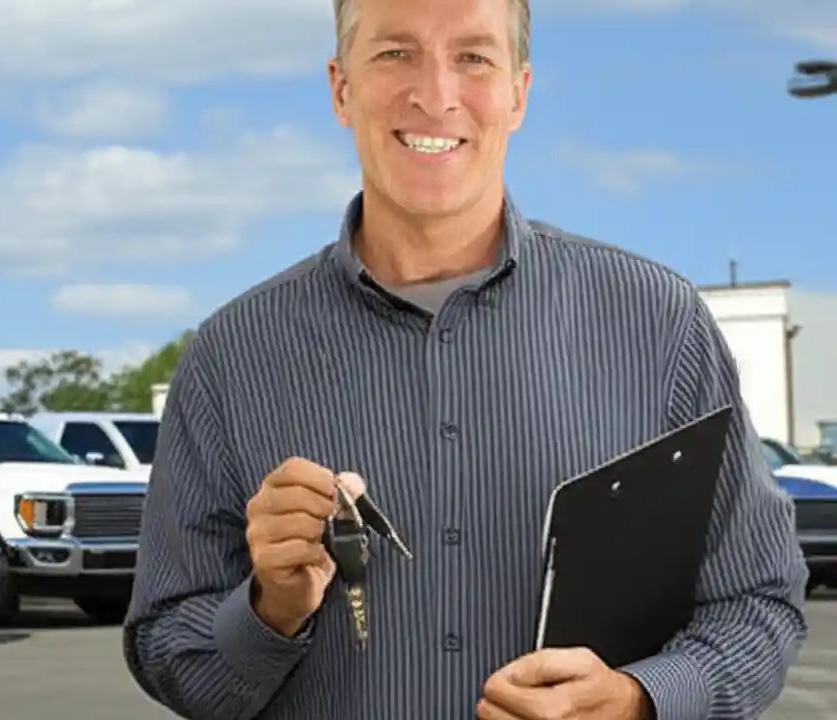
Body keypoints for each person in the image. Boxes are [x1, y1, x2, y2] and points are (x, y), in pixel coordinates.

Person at [121, 0, 810, 717]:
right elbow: (174, 658)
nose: (437, 95)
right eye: (395, 54)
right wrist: (270, 607)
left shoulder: (658, 324)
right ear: (340, 88)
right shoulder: (230, 358)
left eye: (473, 57)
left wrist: (644, 699)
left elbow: (756, 600)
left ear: (519, 91)